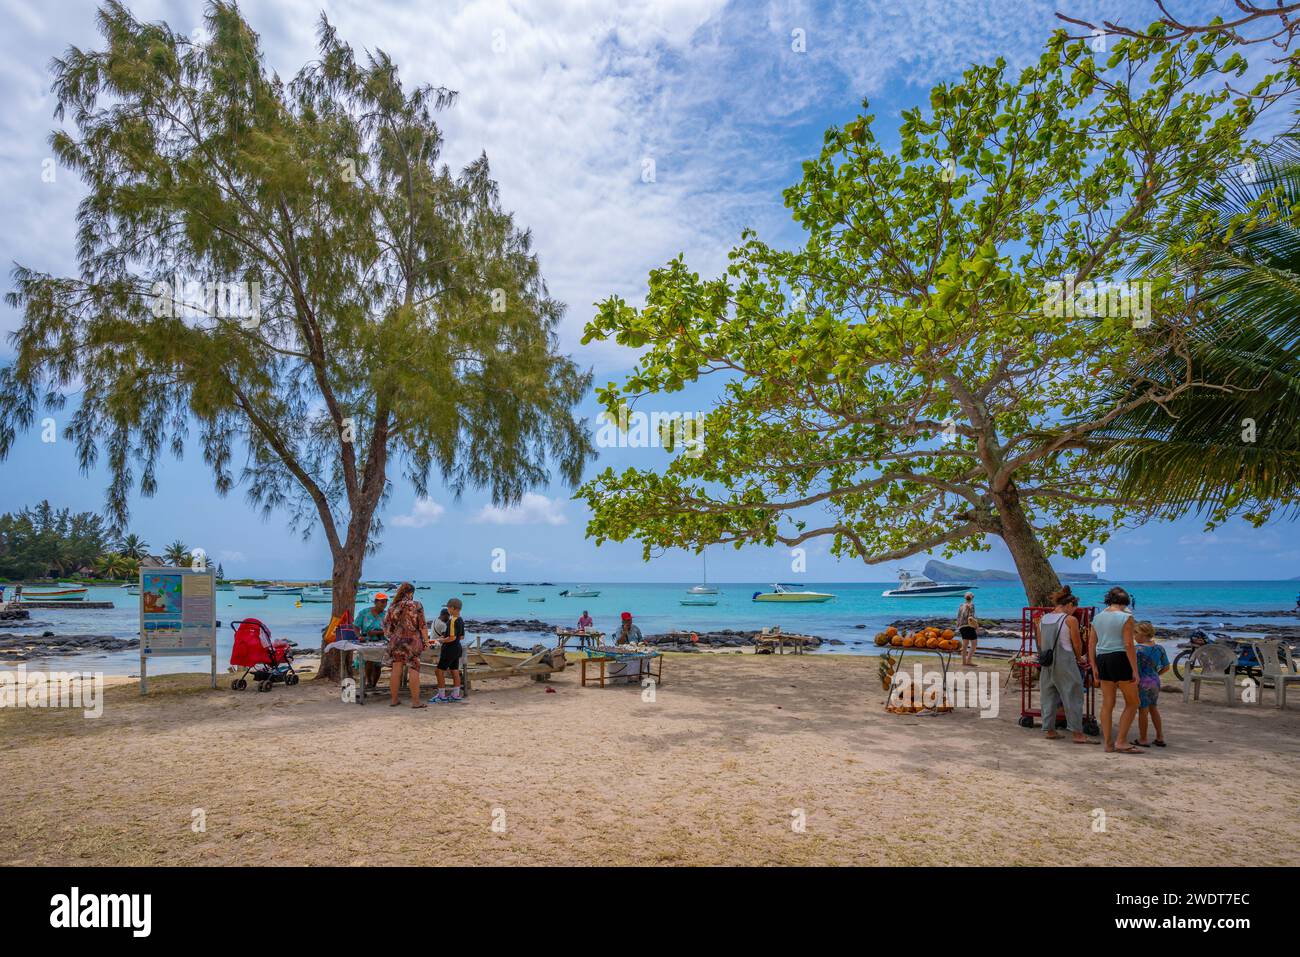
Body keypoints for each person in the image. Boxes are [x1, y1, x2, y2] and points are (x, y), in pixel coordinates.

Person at [1036, 586, 1096, 745]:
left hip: (1047, 663)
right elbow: (1077, 643)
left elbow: (1040, 643)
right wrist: (1080, 658)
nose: (1074, 611)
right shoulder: (1069, 620)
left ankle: (1049, 730)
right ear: (1069, 604)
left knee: (1048, 696)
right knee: (1073, 696)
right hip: (1066, 662)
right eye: (1074, 608)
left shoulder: (1043, 619)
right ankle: (1077, 734)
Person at [1088, 586, 1141, 754]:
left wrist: (1093, 665)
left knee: (1107, 703)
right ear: (1124, 603)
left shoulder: (1097, 618)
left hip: (1102, 659)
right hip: (1120, 658)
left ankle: (1108, 743)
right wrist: (1135, 670)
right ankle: (1121, 741)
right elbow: (1128, 644)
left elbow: (1091, 643)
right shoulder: (1127, 617)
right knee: (1133, 702)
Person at [383, 582, 428, 709]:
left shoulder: (392, 607)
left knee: (396, 670)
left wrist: (395, 635)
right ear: (411, 593)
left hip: (396, 641)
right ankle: (415, 702)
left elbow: (387, 628)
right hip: (413, 641)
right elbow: (423, 626)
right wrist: (426, 641)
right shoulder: (416, 605)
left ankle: (394, 700)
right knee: (413, 669)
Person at [1133, 621, 1169, 748]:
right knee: (1153, 708)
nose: (1133, 636)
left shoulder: (1138, 650)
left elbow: (1134, 668)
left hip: (1142, 681)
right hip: (1154, 680)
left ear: (1142, 635)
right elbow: (1166, 666)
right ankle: (1160, 737)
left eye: (1135, 633)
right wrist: (1156, 674)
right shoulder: (1160, 648)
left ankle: (1143, 738)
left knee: (1143, 709)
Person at [432, 597, 466, 703]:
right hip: (457, 648)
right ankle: (456, 694)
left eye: (448, 608)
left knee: (439, 671)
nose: (448, 610)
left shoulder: (452, 621)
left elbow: (452, 638)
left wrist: (440, 640)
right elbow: (461, 637)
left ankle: (441, 695)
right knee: (455, 671)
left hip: (450, 649)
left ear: (452, 608)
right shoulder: (460, 620)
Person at [354, 592, 388, 689]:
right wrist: (359, 636)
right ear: (376, 602)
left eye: (385, 602)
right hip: (367, 642)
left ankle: (374, 685)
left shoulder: (386, 615)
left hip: (381, 642)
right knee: (368, 661)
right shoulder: (364, 613)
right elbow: (356, 626)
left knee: (378, 665)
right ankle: (369, 682)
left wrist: (378, 633)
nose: (384, 604)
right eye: (382, 602)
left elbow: (390, 629)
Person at [956, 592, 978, 666]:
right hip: (969, 626)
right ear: (972, 598)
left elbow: (958, 617)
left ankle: (963, 662)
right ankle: (968, 660)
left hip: (961, 627)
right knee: (974, 644)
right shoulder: (971, 605)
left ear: (965, 598)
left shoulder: (961, 605)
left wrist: (958, 626)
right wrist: (976, 626)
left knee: (965, 645)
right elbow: (970, 618)